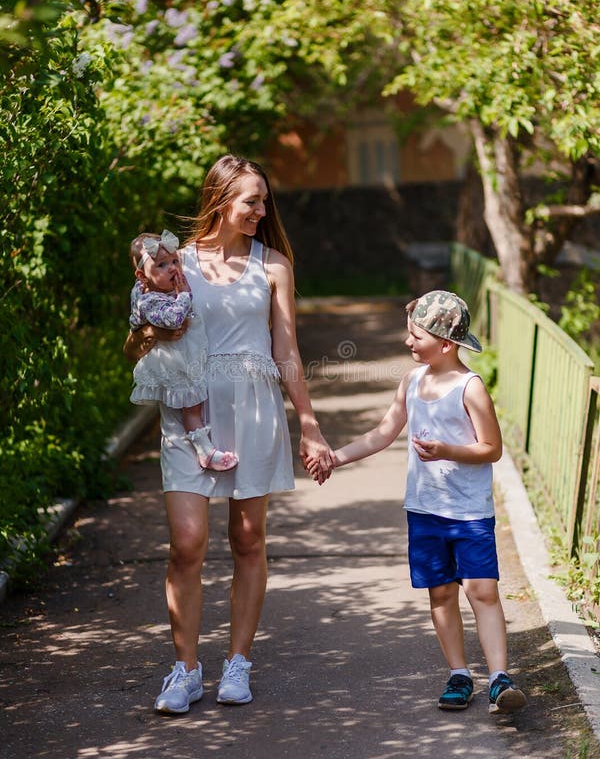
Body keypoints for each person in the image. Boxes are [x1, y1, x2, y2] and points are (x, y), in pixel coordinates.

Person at [124, 154, 334, 714]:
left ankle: (237, 663)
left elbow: (287, 350)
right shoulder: (178, 262)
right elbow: (146, 327)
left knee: (247, 539)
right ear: (220, 200)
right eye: (251, 201)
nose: (261, 211)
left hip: (255, 406)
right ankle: (185, 669)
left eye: (264, 201)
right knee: (187, 543)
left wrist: (309, 426)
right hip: (191, 409)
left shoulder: (274, 265)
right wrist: (149, 324)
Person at [310, 290, 527, 716]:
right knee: (440, 594)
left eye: (416, 335)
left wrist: (448, 450)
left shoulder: (470, 387)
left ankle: (500, 679)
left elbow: (492, 449)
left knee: (482, 591)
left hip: (468, 513)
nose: (408, 342)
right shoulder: (411, 381)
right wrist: (337, 457)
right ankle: (459, 674)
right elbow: (383, 432)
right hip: (425, 511)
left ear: (445, 344)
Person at [129, 229, 238, 472]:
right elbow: (175, 320)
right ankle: (205, 451)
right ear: (142, 276)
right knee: (192, 407)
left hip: (186, 354)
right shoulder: (148, 300)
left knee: (194, 406)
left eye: (175, 261)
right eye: (161, 265)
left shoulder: (159, 290)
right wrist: (185, 295)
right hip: (175, 362)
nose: (173, 269)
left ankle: (204, 448)